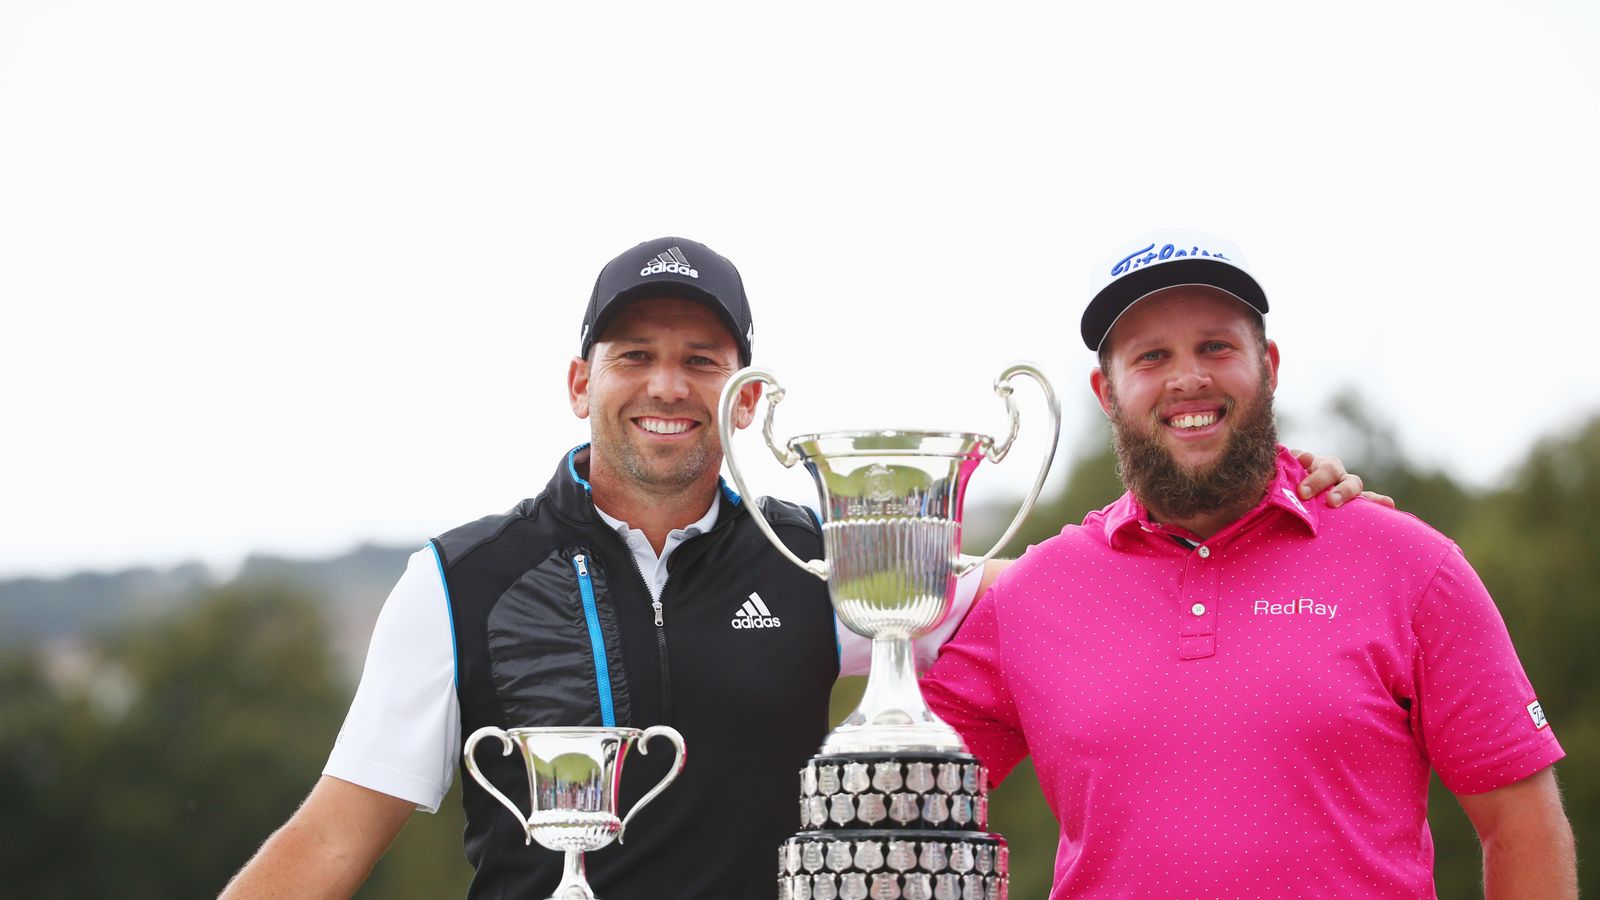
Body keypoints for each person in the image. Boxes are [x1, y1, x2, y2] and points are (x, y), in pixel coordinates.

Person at [219, 236, 1367, 899]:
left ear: (745, 395)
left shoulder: (832, 561)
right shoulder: (459, 580)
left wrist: (1254, 486)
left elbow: (1090, 587)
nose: (667, 386)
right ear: (581, 383)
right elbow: (329, 838)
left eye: (700, 361)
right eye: (636, 357)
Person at [921, 229, 1577, 899]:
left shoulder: (1411, 565)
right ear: (1106, 391)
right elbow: (904, 804)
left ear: (1268, 365)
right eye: (1152, 356)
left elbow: (1519, 822)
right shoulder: (1030, 596)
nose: (1189, 378)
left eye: (1216, 346)